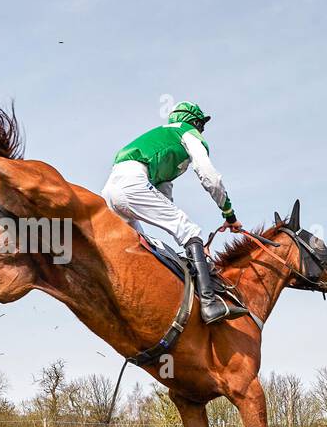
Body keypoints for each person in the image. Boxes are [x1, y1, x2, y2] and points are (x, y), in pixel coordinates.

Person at [101, 101, 246, 324]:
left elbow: (164, 199)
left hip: (111, 189)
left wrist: (189, 243)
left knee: (140, 248)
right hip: (133, 183)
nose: (202, 131)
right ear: (196, 122)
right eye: (202, 126)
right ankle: (209, 304)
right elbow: (210, 177)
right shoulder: (188, 133)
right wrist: (229, 215)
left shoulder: (162, 139)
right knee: (189, 229)